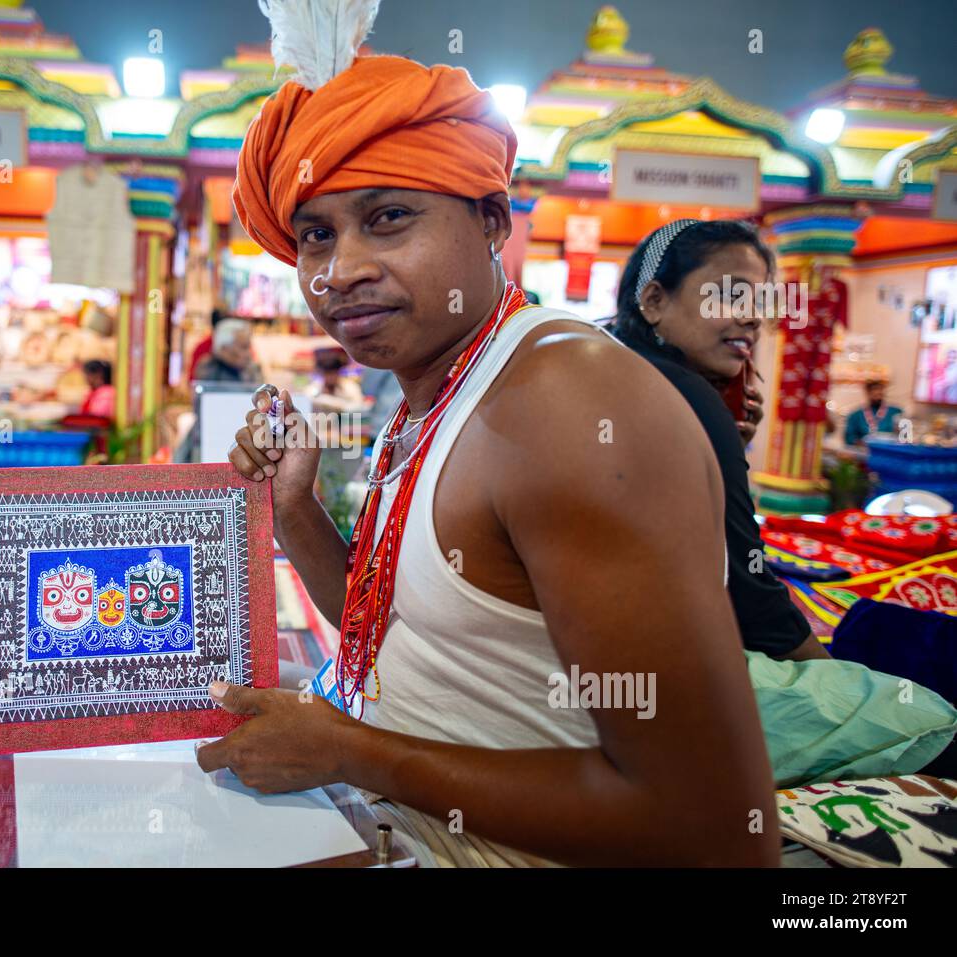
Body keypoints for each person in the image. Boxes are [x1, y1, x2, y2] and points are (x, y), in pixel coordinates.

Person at [199, 7, 777, 868]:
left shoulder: (568, 406)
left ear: (493, 221)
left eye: (388, 216)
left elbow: (716, 829)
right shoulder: (437, 384)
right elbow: (392, 632)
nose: (338, 268)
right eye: (315, 233)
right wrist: (295, 512)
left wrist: (350, 750)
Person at [612, 220, 829, 663]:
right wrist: (835, 674)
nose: (752, 317)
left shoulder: (608, 356)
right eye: (729, 295)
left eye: (760, 301)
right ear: (654, 300)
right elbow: (751, 595)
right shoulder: (686, 397)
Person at [191, 318, 263, 384]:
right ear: (224, 349)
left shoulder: (252, 369)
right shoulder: (207, 370)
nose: (249, 354)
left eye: (249, 347)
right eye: (244, 347)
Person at [843, 379, 903, 447]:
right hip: (864, 452)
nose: (877, 394)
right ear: (867, 393)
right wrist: (860, 444)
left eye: (880, 393)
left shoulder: (895, 412)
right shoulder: (855, 415)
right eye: (874, 392)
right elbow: (849, 438)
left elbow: (904, 436)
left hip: (889, 451)